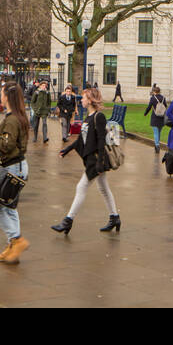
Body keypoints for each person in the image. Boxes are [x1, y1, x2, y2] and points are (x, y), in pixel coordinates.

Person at [53, 86, 120, 235]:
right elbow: (82, 140)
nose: (81, 100)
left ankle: (68, 221)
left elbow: (102, 141)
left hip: (96, 160)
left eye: (83, 98)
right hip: (94, 159)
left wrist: (100, 163)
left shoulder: (99, 117)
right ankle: (115, 217)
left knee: (81, 187)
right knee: (104, 189)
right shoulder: (89, 117)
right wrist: (67, 149)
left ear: (90, 100)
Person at [0, 81, 30, 263]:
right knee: (9, 208)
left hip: (12, 168)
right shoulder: (19, 116)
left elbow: (7, 145)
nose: (0, 96)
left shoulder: (12, 120)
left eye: (2, 93)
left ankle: (17, 240)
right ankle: (13, 249)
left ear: (7, 97)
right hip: (18, 167)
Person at [144, 84, 169, 155]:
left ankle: (157, 145)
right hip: (161, 117)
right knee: (159, 132)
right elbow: (166, 106)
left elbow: (149, 107)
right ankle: (157, 144)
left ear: (154, 92)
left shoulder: (153, 98)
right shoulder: (163, 98)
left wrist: (145, 113)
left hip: (155, 117)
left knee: (155, 132)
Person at [30, 79, 51, 144]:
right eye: (42, 85)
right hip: (38, 111)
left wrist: (48, 109)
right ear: (40, 86)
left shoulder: (47, 93)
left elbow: (49, 102)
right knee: (36, 124)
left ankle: (45, 138)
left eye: (45, 85)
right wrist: (35, 109)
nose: (44, 86)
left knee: (44, 123)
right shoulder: (37, 92)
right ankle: (35, 137)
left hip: (44, 111)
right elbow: (32, 102)